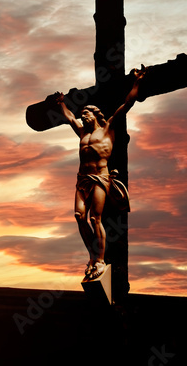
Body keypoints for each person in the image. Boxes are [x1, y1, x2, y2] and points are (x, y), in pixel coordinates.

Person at [54, 66, 145, 280]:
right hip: (81, 179)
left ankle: (100, 259)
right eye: (82, 113)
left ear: (95, 114)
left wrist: (137, 82)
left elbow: (127, 104)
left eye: (85, 113)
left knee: (95, 218)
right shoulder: (82, 133)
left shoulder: (108, 129)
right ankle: (91, 256)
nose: (82, 116)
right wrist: (61, 104)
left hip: (99, 178)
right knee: (78, 216)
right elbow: (68, 117)